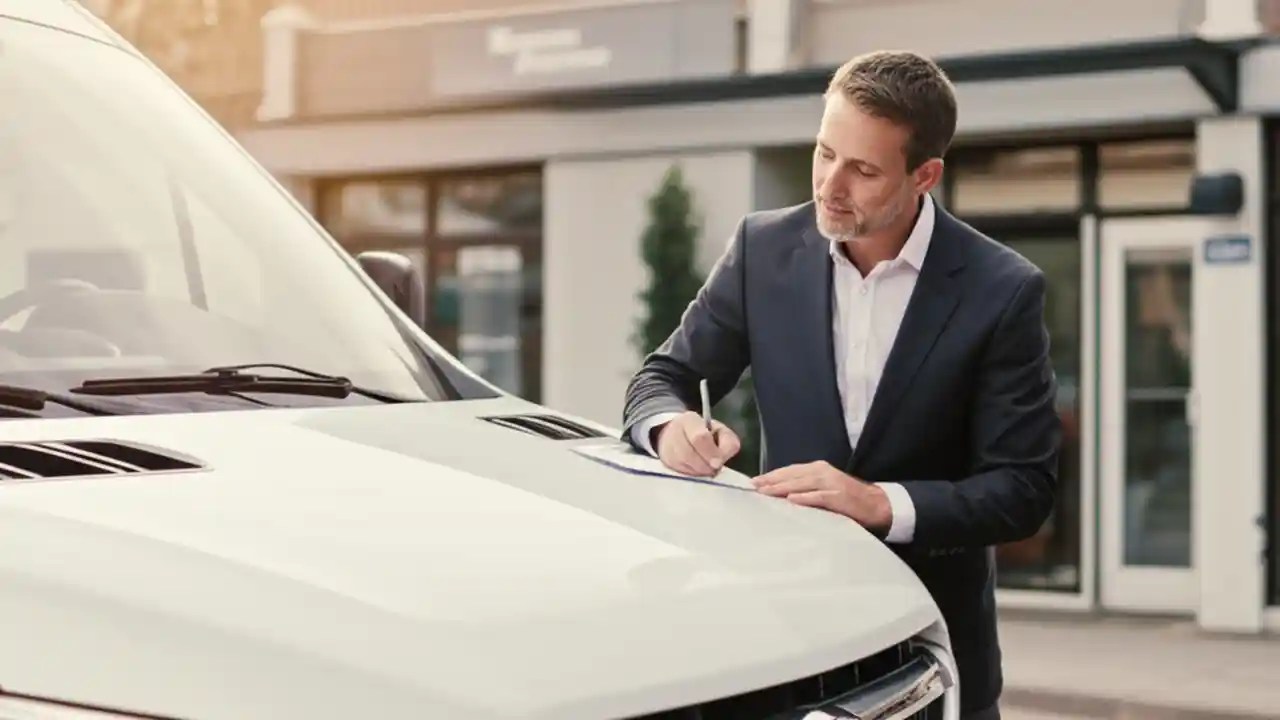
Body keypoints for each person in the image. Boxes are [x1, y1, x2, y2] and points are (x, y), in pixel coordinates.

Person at [620, 49, 1060, 720]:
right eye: (825, 153)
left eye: (863, 169)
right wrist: (669, 426)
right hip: (787, 650)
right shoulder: (762, 251)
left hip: (932, 654)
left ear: (925, 175)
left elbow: (1022, 489)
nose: (831, 184)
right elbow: (662, 378)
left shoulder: (1002, 290)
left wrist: (879, 504)